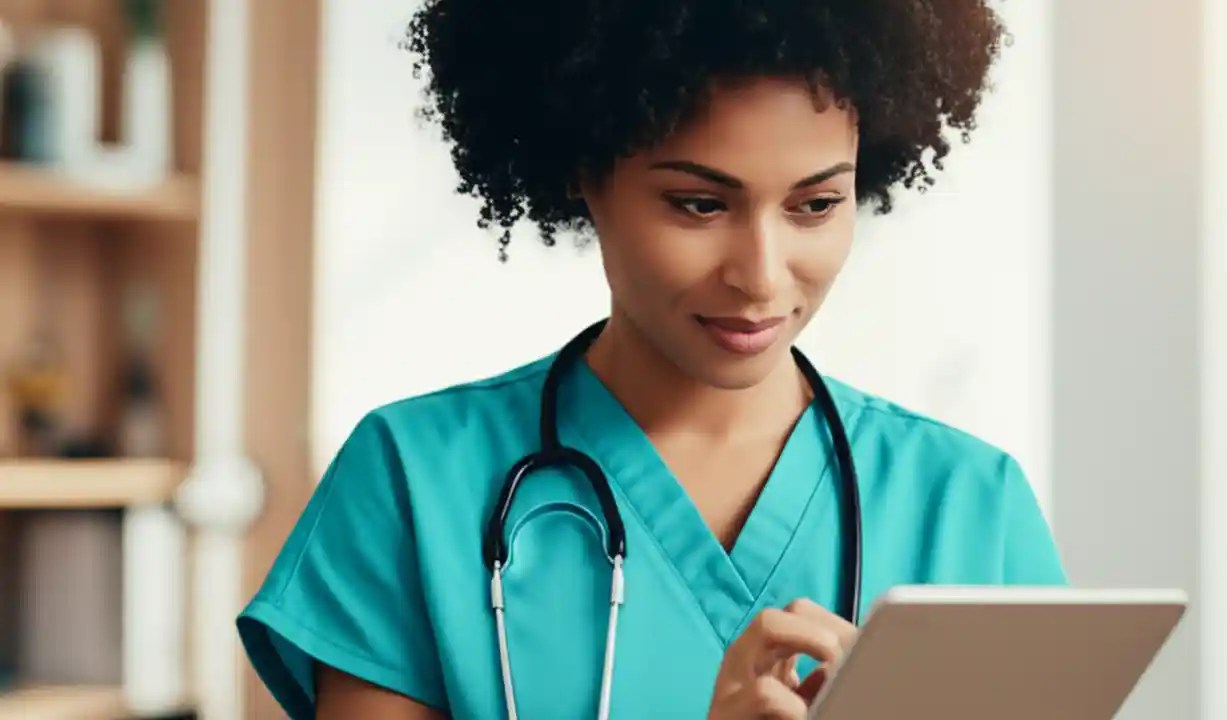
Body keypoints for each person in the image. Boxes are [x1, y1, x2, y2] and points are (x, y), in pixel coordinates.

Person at [237, 1, 1067, 718]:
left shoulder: (971, 507)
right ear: (581, 169)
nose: (761, 276)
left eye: (816, 205)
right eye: (699, 204)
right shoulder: (414, 482)